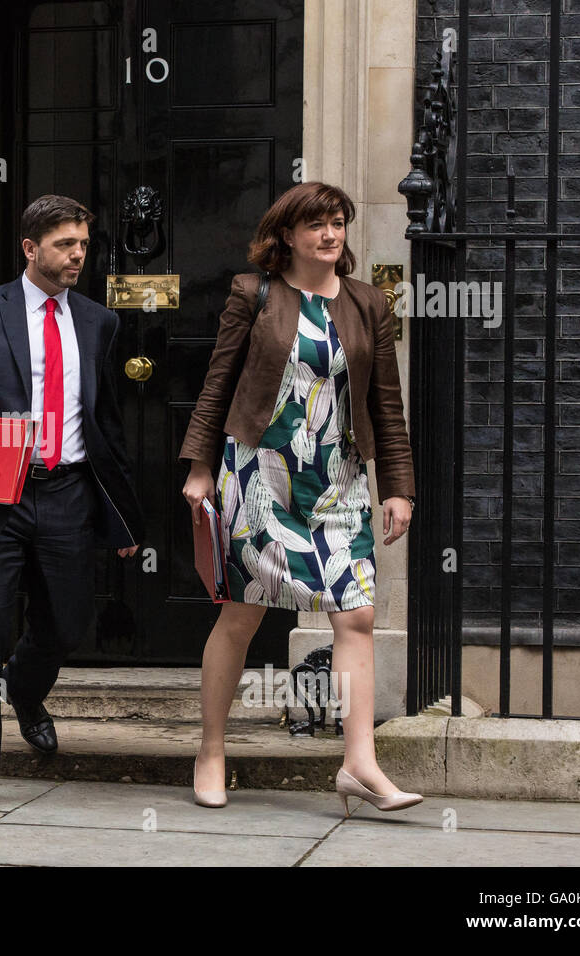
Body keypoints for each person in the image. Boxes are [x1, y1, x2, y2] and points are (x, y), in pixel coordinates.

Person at [179, 182, 420, 815]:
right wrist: (200, 468)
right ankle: (211, 752)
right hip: (260, 471)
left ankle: (359, 761)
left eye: (338, 222)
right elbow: (217, 385)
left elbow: (385, 406)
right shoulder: (254, 294)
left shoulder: (369, 304)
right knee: (243, 612)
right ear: (287, 235)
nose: (329, 234)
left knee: (357, 614)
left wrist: (398, 488)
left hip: (338, 480)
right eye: (316, 224)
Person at [0, 195, 145, 809]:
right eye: (66, 245)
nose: (78, 256)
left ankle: (24, 688)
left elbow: (106, 425)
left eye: (83, 246)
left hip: (68, 492)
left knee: (68, 624)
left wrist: (122, 514)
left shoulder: (99, 322)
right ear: (30, 248)